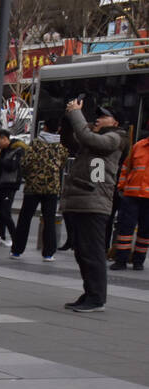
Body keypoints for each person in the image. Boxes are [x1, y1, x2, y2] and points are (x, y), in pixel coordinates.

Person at [62, 102, 128, 311]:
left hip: (94, 202)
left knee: (92, 252)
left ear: (115, 122)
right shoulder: (95, 139)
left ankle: (97, 298)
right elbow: (71, 140)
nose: (98, 119)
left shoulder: (115, 138)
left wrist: (77, 114)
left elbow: (87, 137)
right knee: (82, 252)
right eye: (97, 116)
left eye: (104, 116)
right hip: (83, 200)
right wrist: (68, 118)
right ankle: (90, 292)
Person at [11, 119, 66, 261]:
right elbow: (62, 165)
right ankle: (48, 253)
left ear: (45, 127)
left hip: (33, 187)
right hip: (52, 188)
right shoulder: (60, 147)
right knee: (49, 220)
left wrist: (29, 176)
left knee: (25, 218)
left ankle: (17, 250)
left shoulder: (35, 144)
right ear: (58, 129)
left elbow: (25, 163)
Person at [112, 124, 149, 271]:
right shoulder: (138, 146)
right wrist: (121, 186)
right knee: (125, 228)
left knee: (145, 232)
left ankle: (138, 261)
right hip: (131, 196)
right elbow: (126, 168)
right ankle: (121, 260)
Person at [0, 130, 26, 245]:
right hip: (0, 184)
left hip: (10, 184)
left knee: (5, 212)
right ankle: (2, 236)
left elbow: (12, 166)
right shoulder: (3, 151)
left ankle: (15, 238)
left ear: (4, 138)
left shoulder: (18, 150)